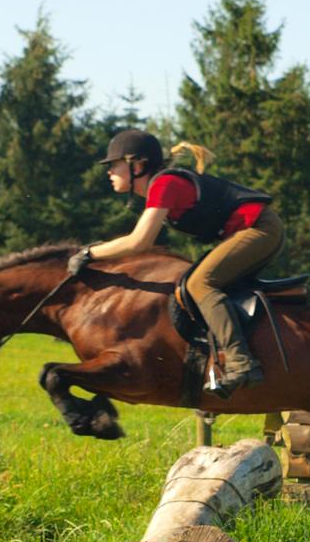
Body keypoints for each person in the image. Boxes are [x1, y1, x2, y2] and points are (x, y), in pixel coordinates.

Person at [67, 129, 284, 398]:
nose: (109, 172)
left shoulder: (163, 184)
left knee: (199, 284)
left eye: (113, 165)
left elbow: (139, 242)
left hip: (259, 228)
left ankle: (242, 363)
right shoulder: (161, 186)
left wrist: (90, 253)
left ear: (138, 164)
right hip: (253, 229)